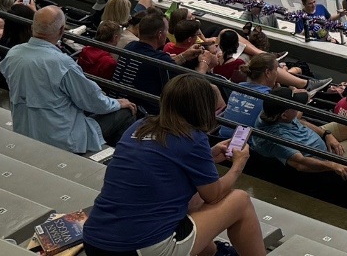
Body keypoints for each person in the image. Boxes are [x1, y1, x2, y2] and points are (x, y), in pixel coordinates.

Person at [81, 74, 270, 256]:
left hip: (95, 240)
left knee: (191, 197)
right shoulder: (193, 138)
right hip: (139, 248)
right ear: (203, 107)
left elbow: (164, 165)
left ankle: (212, 251)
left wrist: (208, 157)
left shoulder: (140, 125)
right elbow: (214, 195)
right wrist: (239, 164)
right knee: (240, 199)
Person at [3, 5, 135, 154]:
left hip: (25, 130)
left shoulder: (12, 54)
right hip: (62, 138)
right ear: (61, 31)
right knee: (126, 112)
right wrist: (118, 102)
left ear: (33, 27)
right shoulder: (62, 63)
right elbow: (92, 101)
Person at [251, 88, 347, 181]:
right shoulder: (278, 138)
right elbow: (300, 164)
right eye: (295, 106)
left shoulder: (272, 111)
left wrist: (326, 134)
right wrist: (333, 165)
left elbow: (300, 121)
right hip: (323, 161)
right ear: (284, 115)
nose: (298, 107)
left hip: (320, 139)